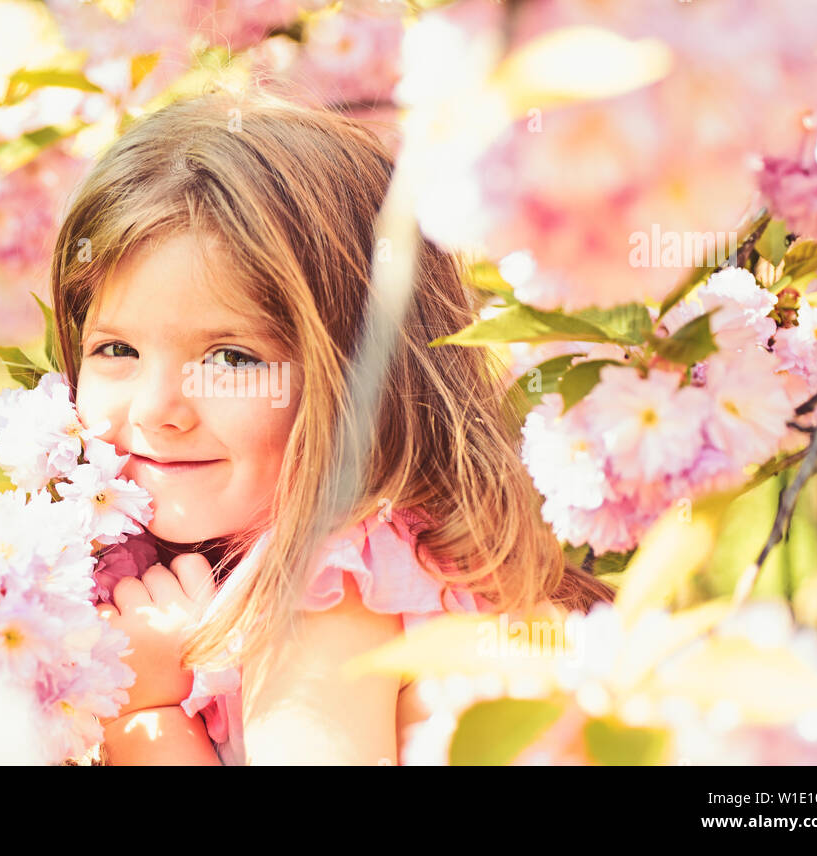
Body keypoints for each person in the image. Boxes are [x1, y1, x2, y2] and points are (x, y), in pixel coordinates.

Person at [48, 86, 613, 765]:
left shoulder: (330, 588)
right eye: (118, 350)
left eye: (231, 358)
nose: (157, 410)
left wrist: (142, 712)